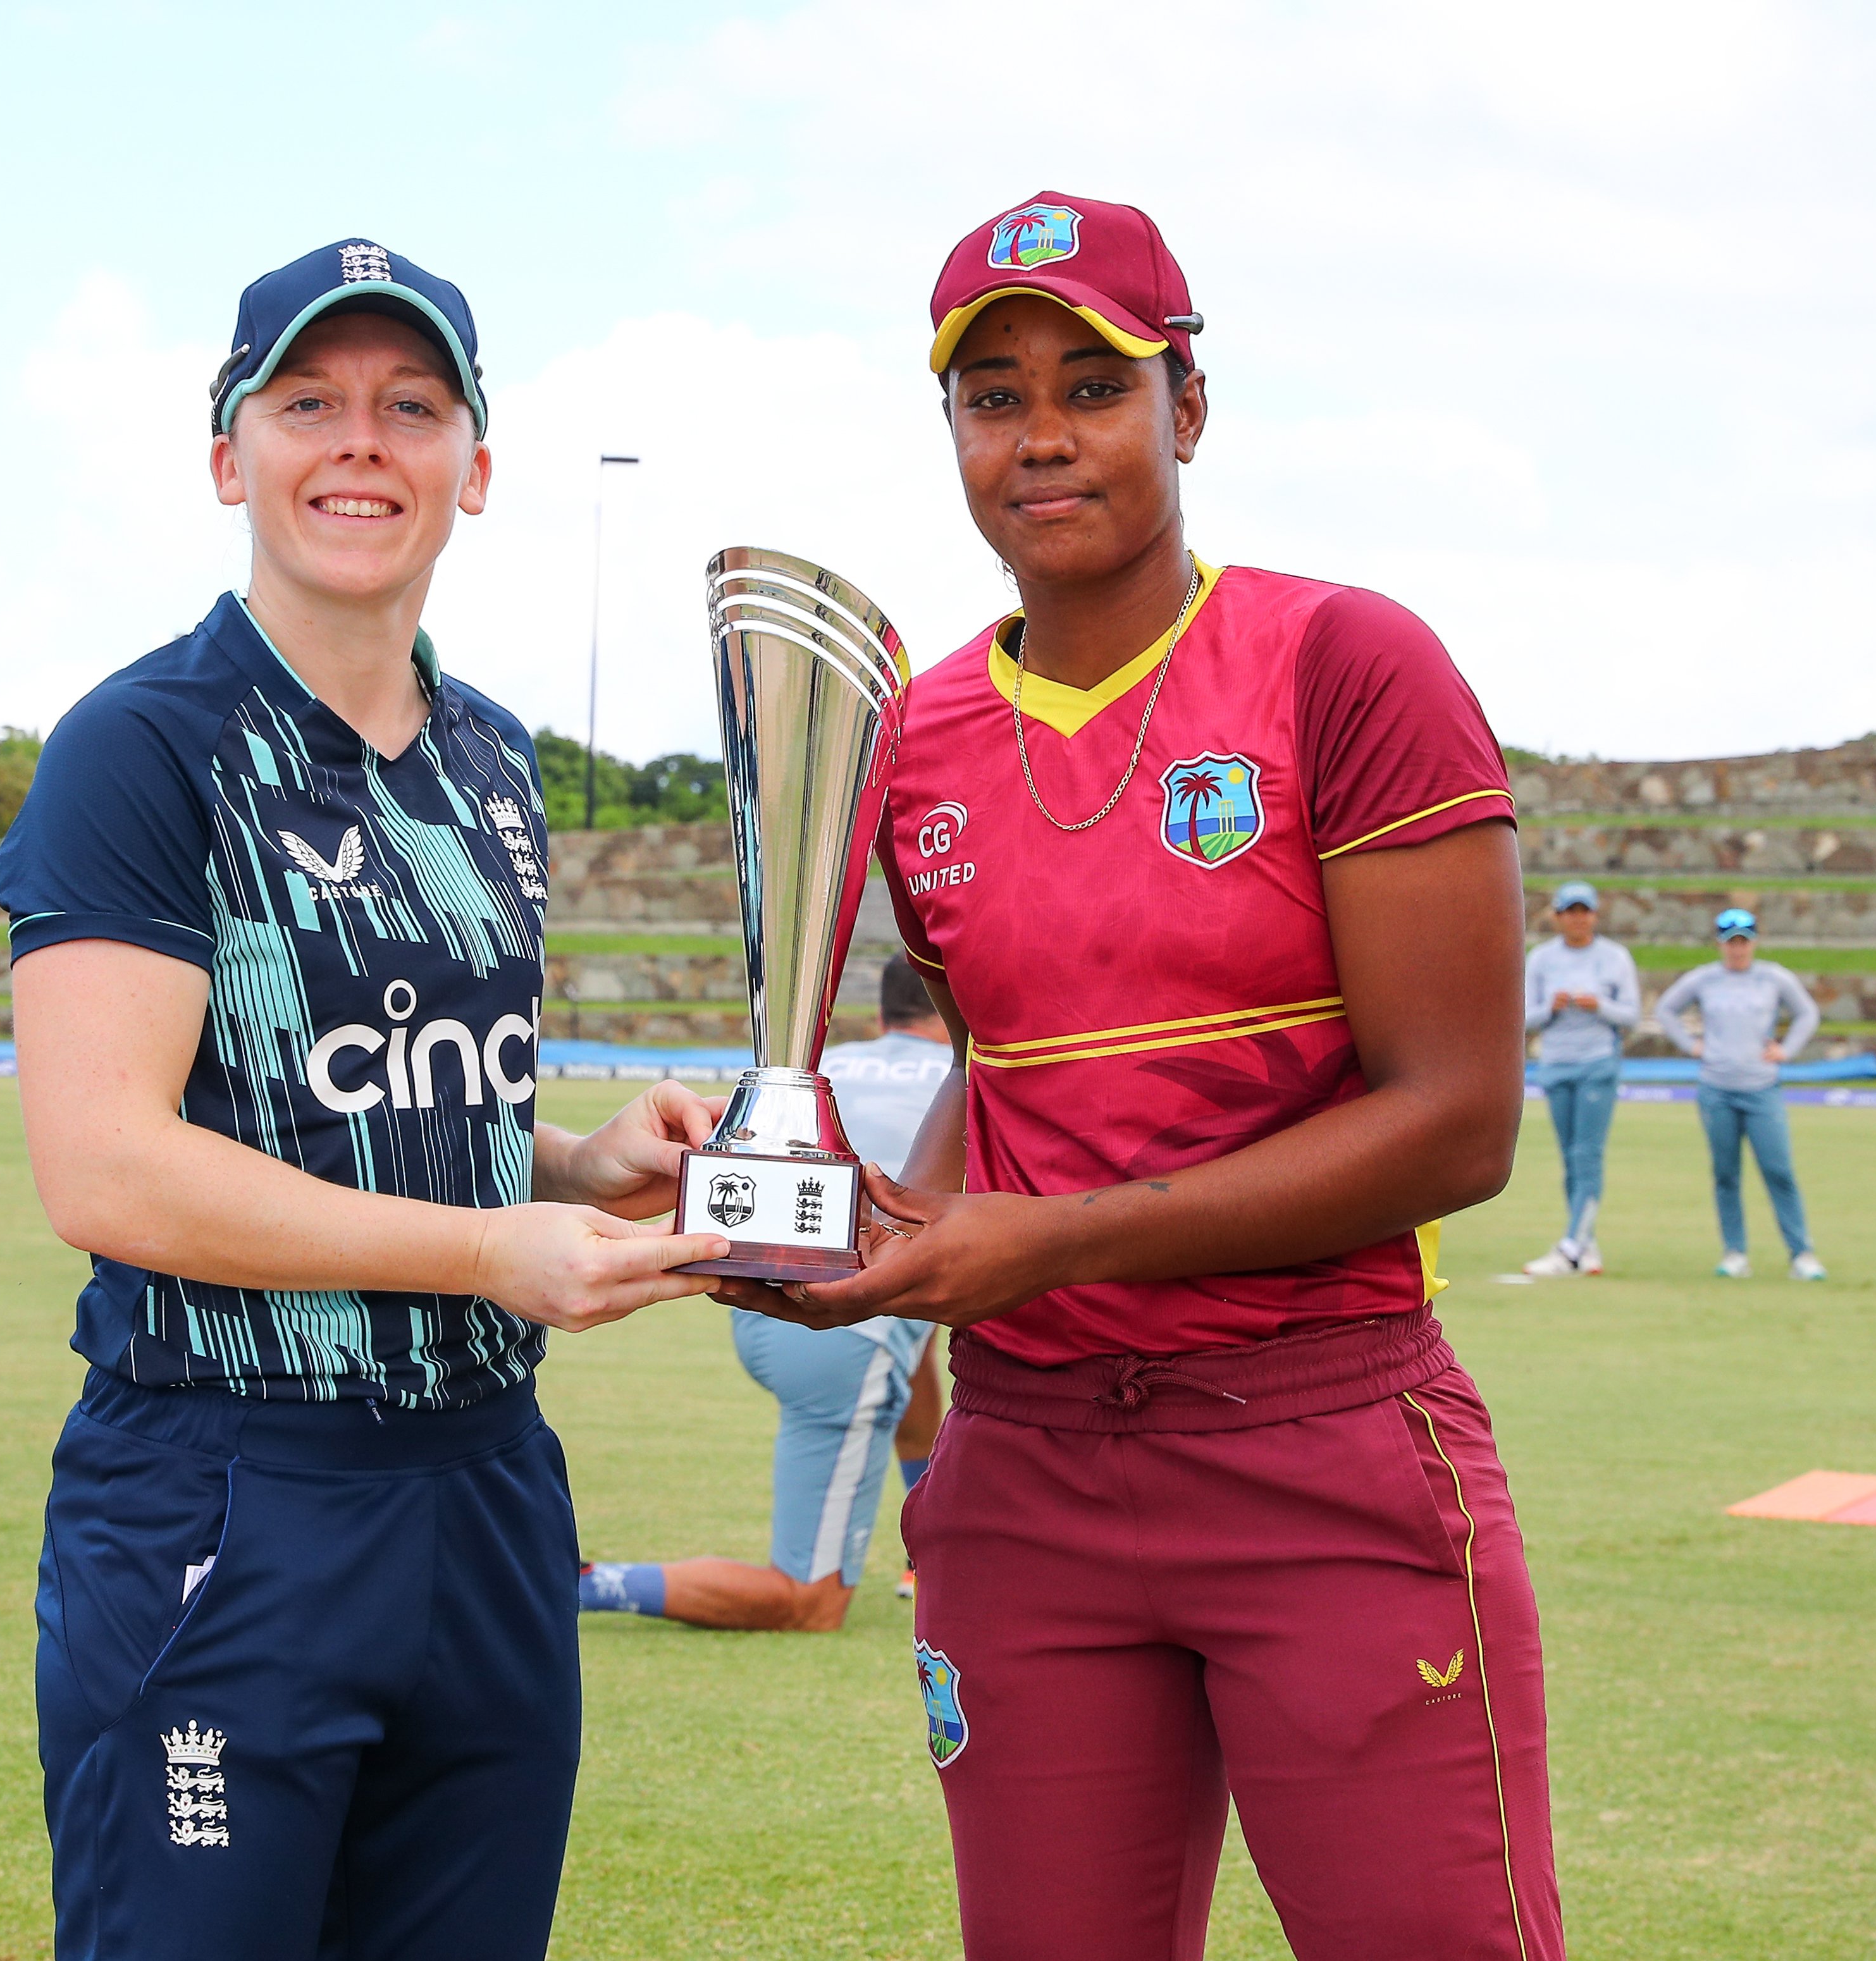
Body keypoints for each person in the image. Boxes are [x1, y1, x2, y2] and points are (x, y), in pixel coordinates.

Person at [725, 190, 1562, 1960]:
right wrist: (860, 1234)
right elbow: (993, 1072)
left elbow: (1457, 1119)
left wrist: (1050, 1243)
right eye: (991, 392)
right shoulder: (916, 733)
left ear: (1187, 405)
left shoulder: (1345, 662)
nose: (1039, 434)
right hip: (1027, 1469)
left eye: (1091, 383)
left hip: (1317, 1434)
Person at [0, 236, 729, 1961]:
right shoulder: (146, 745)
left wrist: (583, 1161)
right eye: (306, 401)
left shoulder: (490, 759)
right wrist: (488, 1245)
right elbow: (107, 1163)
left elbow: (382, 1100)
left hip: (483, 1489)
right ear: (225, 454)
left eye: (411, 406)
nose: (358, 444)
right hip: (232, 1487)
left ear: (475, 469)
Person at [577, 954, 951, 1629]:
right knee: (806, 1600)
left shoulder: (831, 1063)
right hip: (844, 1333)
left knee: (910, 1354)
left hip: (759, 1302)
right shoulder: (966, 1078)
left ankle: (928, 1551)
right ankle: (573, 1583)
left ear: (880, 1016)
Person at [1655, 907, 1827, 1280]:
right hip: (1717, 1089)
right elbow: (1666, 1009)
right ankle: (1735, 1252)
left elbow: (1807, 1014)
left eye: (1744, 942)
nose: (1738, 949)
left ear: (1754, 943)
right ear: (1720, 944)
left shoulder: (1773, 978)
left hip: (1761, 1088)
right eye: (1731, 942)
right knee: (1726, 1174)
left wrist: (1786, 1050)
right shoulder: (1705, 980)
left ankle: (1802, 1252)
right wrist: (1691, 1045)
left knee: (1779, 1170)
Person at [1520, 878, 1639, 1276]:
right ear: (1557, 917)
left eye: (1583, 911)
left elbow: (1631, 1016)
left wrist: (1598, 1005)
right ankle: (1585, 1242)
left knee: (1587, 1155)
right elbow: (1523, 1016)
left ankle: (1571, 1246)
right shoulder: (1541, 959)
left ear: (1594, 916)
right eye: (1569, 912)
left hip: (1597, 1062)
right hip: (1557, 1064)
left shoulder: (1615, 957)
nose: (1577, 919)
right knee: (1570, 1159)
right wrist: (1551, 1008)